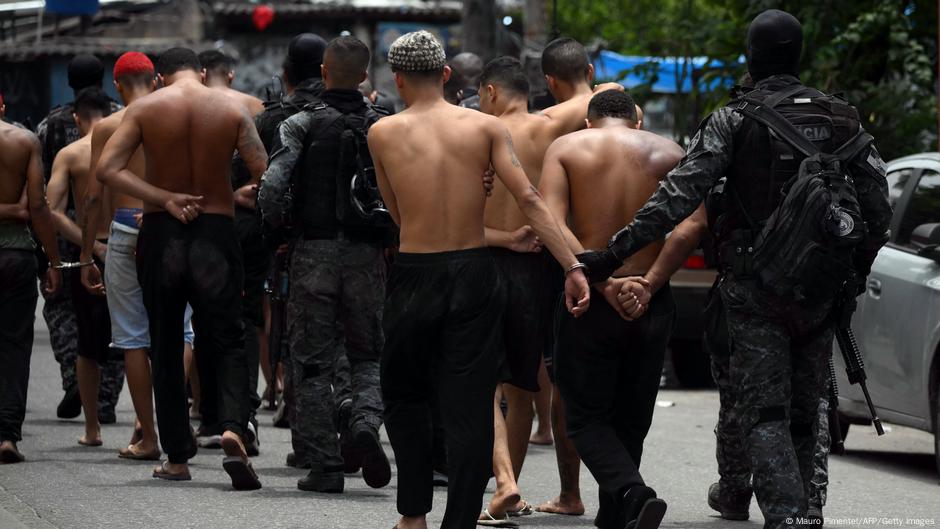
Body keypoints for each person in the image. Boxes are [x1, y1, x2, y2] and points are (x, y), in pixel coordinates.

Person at [576, 10, 892, 528]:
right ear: (798, 55)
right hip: (819, 293)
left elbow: (678, 197)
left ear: (751, 56)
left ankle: (787, 516)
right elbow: (878, 210)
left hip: (754, 292)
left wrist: (612, 255)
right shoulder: (843, 119)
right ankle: (807, 510)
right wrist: (850, 276)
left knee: (764, 409)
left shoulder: (734, 119)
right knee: (807, 405)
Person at [366, 30, 590, 529]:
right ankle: (460, 520)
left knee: (404, 394)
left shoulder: (382, 133)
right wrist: (573, 267)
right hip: (473, 273)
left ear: (398, 80)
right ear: (446, 74)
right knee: (469, 402)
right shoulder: (485, 129)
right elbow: (530, 199)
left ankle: (413, 515)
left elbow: (398, 215)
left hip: (415, 272)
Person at [96, 47, 268, 490]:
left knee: (166, 341)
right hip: (216, 231)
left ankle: (176, 456)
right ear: (204, 73)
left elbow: (107, 169)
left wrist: (164, 197)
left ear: (159, 78)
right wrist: (236, 192)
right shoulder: (230, 109)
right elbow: (264, 172)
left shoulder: (146, 109)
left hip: (162, 233)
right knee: (228, 337)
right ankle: (233, 427)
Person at [475, 55, 621, 524]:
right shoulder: (552, 128)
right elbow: (605, 95)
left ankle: (504, 486)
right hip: (544, 264)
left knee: (486, 382)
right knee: (529, 387)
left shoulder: (479, 131)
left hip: (492, 261)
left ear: (491, 92)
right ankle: (525, 490)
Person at [539, 90, 684, 529]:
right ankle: (616, 513)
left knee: (583, 417)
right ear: (637, 122)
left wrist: (601, 282)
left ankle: (631, 492)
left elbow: (551, 221)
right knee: (631, 417)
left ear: (589, 122)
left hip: (588, 296)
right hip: (650, 299)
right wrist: (649, 283)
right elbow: (693, 224)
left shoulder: (566, 148)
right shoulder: (671, 152)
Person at [257, 35, 393, 494]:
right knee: (367, 354)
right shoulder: (384, 126)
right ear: (365, 76)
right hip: (368, 258)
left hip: (313, 254)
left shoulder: (299, 123)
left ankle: (324, 465)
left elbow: (271, 189)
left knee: (312, 362)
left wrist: (279, 227)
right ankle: (365, 424)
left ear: (324, 72)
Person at [79, 51, 196, 460]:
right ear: (157, 78)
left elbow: (93, 196)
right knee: (182, 331)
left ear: (117, 85)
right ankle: (169, 416)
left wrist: (86, 253)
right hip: (169, 224)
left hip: (125, 227)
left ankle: (147, 434)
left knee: (132, 337)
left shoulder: (108, 127)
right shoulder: (177, 117)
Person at [533, 35, 601, 518]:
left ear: (549, 81)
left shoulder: (544, 126)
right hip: (625, 259)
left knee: (563, 380)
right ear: (591, 71)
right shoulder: (622, 109)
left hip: (565, 261)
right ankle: (619, 484)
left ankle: (570, 493)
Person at [36, 53, 124, 423]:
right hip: (118, 226)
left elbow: (40, 191)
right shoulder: (124, 118)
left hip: (66, 228)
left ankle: (76, 377)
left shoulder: (49, 125)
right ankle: (105, 398)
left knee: (61, 307)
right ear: (104, 79)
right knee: (118, 314)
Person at [252, 33, 328, 434]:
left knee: (293, 330)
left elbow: (258, 184)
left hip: (289, 243)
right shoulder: (363, 114)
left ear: (286, 74)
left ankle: (298, 412)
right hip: (355, 244)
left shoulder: (271, 118)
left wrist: (273, 228)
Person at [198, 47, 265, 456]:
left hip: (204, 222)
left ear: (201, 74)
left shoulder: (191, 109)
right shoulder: (254, 107)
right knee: (248, 318)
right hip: (248, 224)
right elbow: (269, 172)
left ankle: (211, 416)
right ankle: (246, 413)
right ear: (232, 75)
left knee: (206, 318)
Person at [46, 87, 115, 448]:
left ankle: (92, 428)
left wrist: (93, 246)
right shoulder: (131, 146)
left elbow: (52, 211)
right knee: (144, 339)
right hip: (134, 246)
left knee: (88, 346)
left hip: (92, 250)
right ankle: (147, 425)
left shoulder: (70, 154)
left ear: (77, 118)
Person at [0, 100, 62, 464]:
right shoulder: (23, 141)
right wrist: (52, 261)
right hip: (16, 256)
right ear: (2, 104)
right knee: (14, 345)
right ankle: (7, 435)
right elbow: (38, 206)